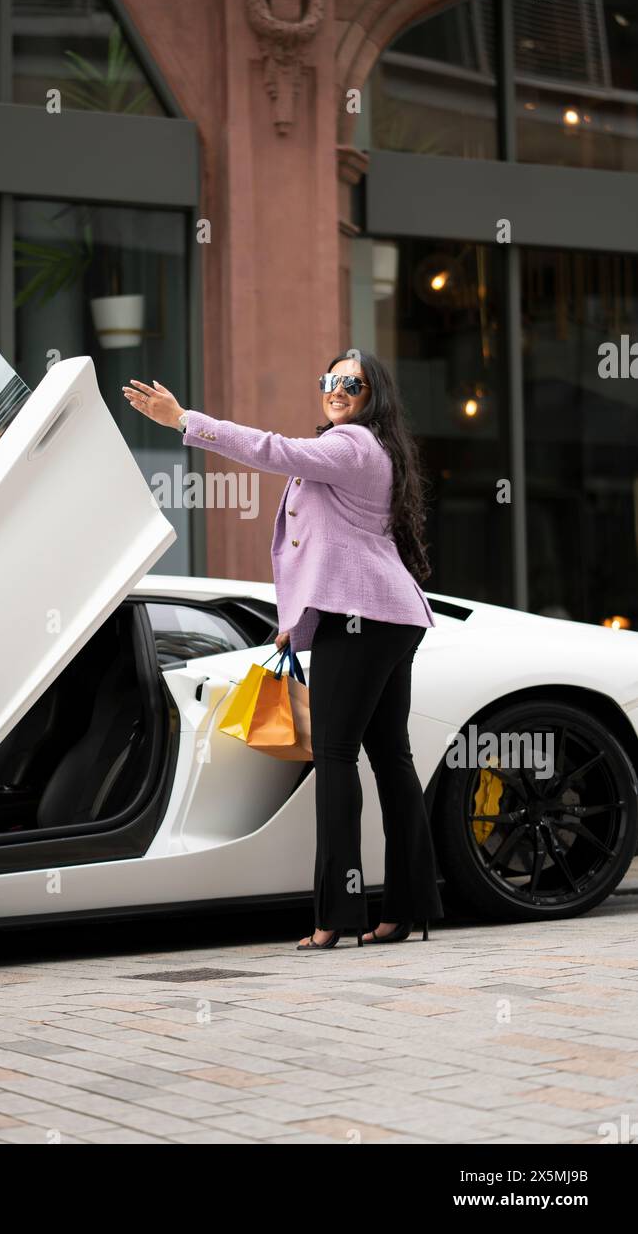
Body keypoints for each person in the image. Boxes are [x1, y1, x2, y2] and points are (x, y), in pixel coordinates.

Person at [122, 352, 444, 950]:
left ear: (373, 395)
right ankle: (407, 909)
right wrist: (298, 623)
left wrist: (183, 420)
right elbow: (339, 547)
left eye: (353, 383)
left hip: (363, 619)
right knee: (391, 760)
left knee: (336, 755)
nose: (338, 390)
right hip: (387, 616)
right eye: (331, 380)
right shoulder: (373, 450)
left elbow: (271, 450)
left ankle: (337, 916)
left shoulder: (350, 446)